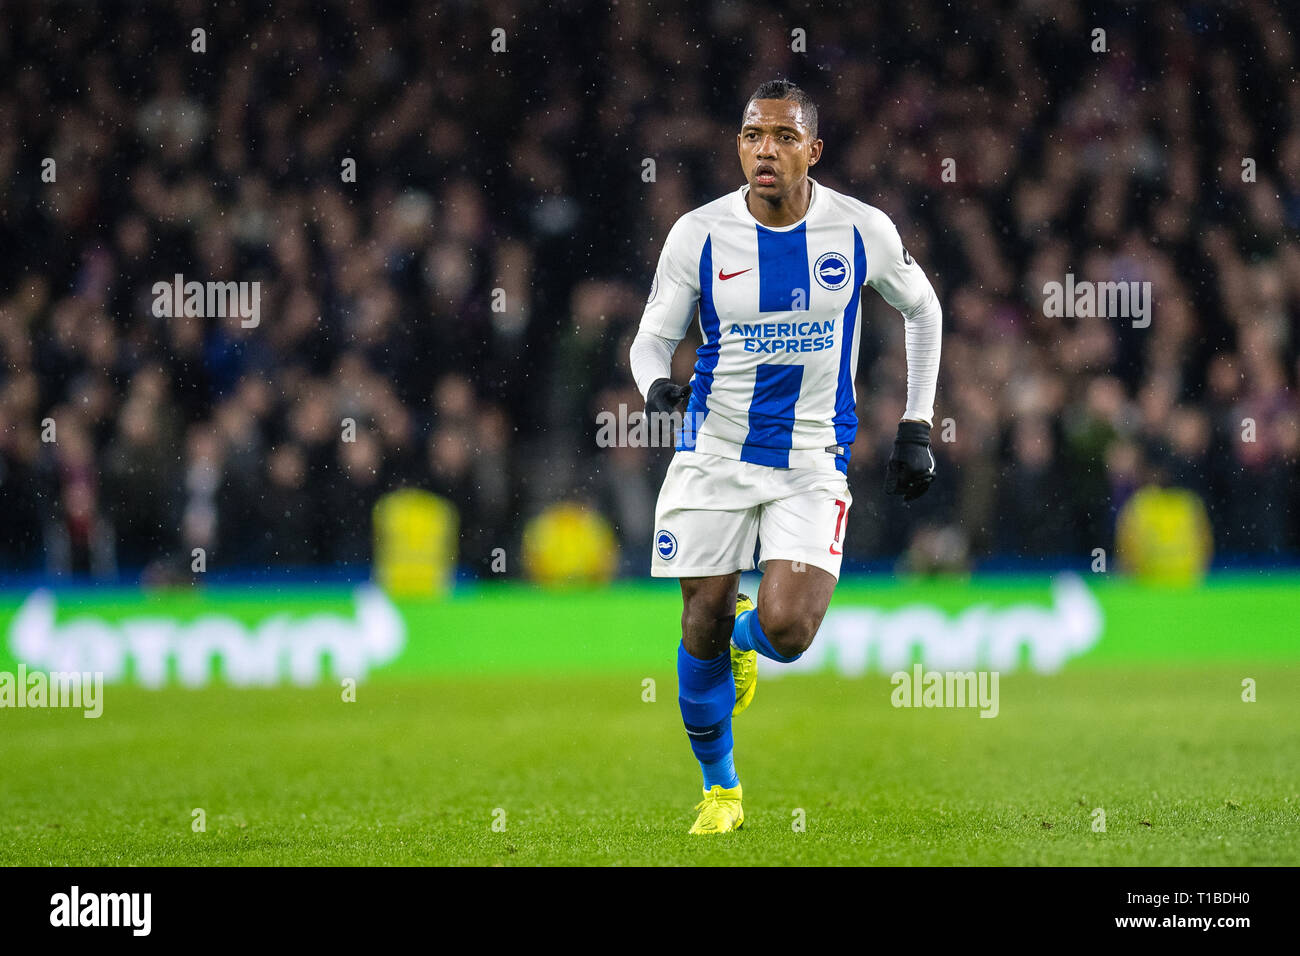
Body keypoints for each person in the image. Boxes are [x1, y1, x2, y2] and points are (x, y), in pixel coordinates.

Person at [628, 79, 943, 834]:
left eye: (782, 136)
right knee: (698, 621)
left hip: (810, 457)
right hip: (714, 451)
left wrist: (918, 426)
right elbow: (651, 339)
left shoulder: (859, 230)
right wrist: (656, 391)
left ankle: (748, 637)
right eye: (751, 136)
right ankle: (722, 792)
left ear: (814, 150)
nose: (764, 150)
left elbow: (923, 307)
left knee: (790, 632)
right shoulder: (697, 235)